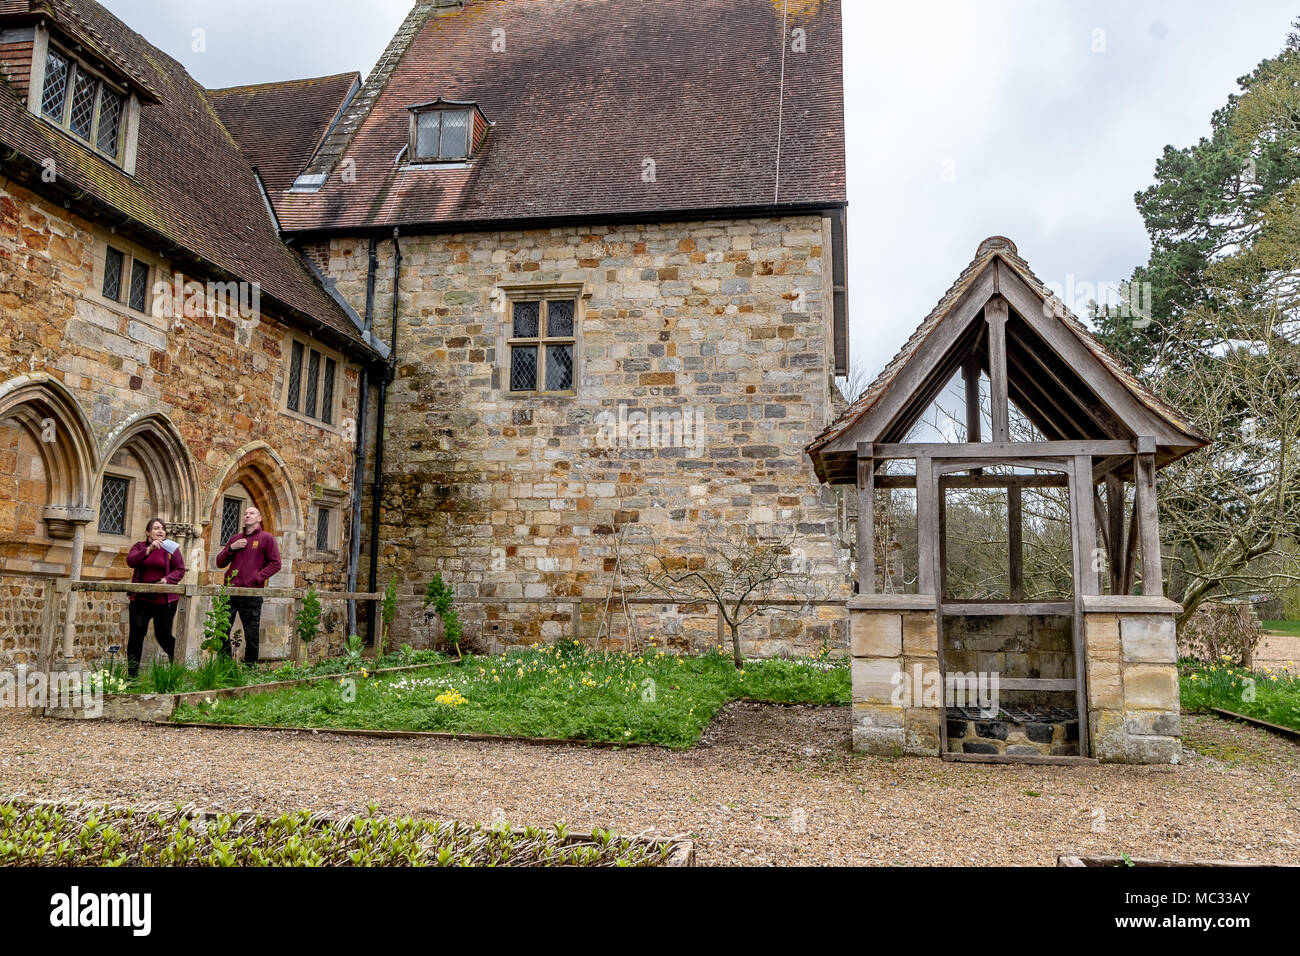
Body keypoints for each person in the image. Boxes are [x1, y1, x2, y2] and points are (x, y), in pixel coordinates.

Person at [215, 505, 282, 664]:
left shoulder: (267, 538)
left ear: (259, 518)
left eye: (251, 513)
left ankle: (249, 667)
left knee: (251, 633)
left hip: (251, 593)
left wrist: (257, 578)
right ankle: (225, 665)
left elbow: (276, 563)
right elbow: (219, 562)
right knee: (222, 630)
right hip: (230, 591)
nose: (247, 515)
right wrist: (232, 547)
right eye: (245, 513)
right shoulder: (235, 539)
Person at [125, 517, 186, 678]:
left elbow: (180, 569)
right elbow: (131, 561)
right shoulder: (139, 547)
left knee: (163, 635)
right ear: (148, 532)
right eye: (156, 528)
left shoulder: (172, 548)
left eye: (163, 529)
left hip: (164, 601)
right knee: (136, 636)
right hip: (141, 600)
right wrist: (149, 550)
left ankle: (177, 670)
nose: (160, 531)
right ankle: (132, 676)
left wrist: (167, 580)